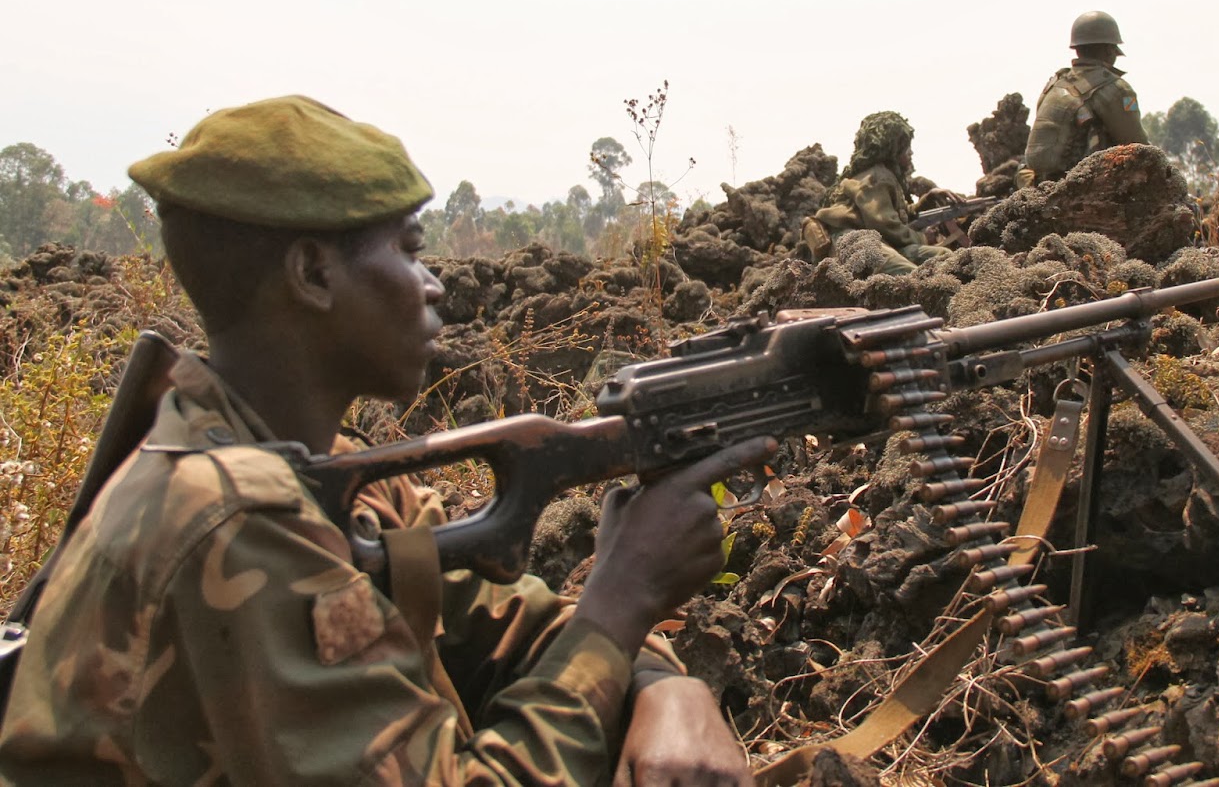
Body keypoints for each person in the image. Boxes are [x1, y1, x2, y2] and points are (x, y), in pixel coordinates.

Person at [0, 95, 772, 786]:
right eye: (407, 250)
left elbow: (515, 628)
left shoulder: (332, 481)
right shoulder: (231, 518)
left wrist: (667, 687)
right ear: (311, 274)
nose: (433, 282)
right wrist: (625, 596)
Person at [803, 111, 946, 276]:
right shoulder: (878, 177)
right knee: (907, 274)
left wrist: (927, 200)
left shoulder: (884, 176)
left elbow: (896, 213)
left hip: (874, 241)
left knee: (942, 256)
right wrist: (923, 238)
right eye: (905, 147)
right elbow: (886, 226)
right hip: (852, 242)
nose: (910, 153)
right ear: (892, 148)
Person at [1017, 10, 1149, 187]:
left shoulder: (1054, 85)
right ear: (1110, 50)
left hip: (1037, 183)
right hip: (1081, 185)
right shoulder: (1115, 89)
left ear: (1077, 49)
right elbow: (1138, 146)